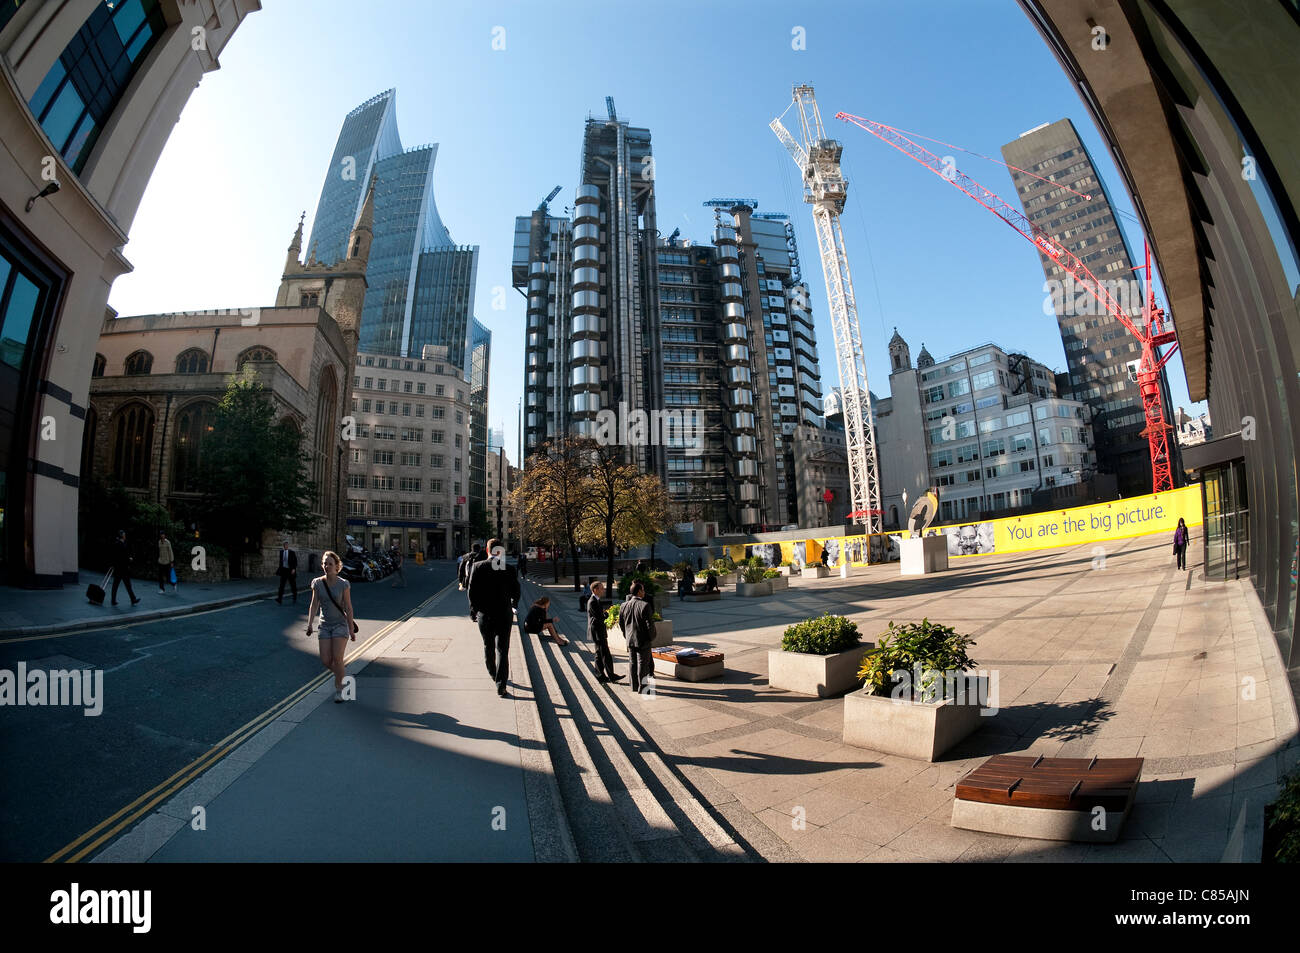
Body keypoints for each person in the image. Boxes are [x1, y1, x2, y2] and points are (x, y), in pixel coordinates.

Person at [467, 537, 520, 698]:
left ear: (488, 551)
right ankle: (501, 685)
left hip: (485, 615)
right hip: (504, 614)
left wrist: (473, 611)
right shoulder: (510, 569)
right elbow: (516, 591)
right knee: (503, 650)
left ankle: (493, 673)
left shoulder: (477, 567)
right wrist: (514, 605)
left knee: (488, 646)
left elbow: (471, 592)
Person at [305, 551, 356, 703]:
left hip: (340, 625)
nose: (327, 566)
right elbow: (314, 604)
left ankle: (340, 689)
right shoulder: (317, 583)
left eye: (330, 564)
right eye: (325, 563)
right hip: (324, 625)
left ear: (337, 566)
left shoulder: (343, 584)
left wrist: (351, 629)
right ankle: (345, 677)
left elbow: (348, 607)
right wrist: (309, 624)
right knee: (326, 660)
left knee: (337, 658)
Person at [618, 580, 655, 694]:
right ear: (639, 592)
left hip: (630, 639)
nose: (644, 592)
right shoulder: (645, 605)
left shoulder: (624, 605)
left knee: (633, 663)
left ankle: (634, 686)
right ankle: (643, 688)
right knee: (643, 664)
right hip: (643, 640)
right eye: (643, 590)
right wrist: (651, 637)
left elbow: (621, 623)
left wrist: (626, 635)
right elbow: (650, 625)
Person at [587, 581, 623, 683]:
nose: (603, 590)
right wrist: (607, 615)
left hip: (598, 631)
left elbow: (599, 615)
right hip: (598, 632)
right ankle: (611, 676)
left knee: (599, 654)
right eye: (601, 588)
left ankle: (600, 675)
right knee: (605, 654)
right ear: (595, 590)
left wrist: (604, 614)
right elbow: (599, 617)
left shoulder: (596, 600)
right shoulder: (593, 601)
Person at [109, 530, 140, 606]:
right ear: (122, 536)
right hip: (122, 568)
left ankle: (131, 599)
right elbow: (121, 556)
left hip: (120, 568)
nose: (125, 536)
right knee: (122, 585)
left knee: (121, 585)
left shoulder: (120, 544)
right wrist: (129, 559)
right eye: (124, 535)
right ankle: (132, 599)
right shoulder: (120, 544)